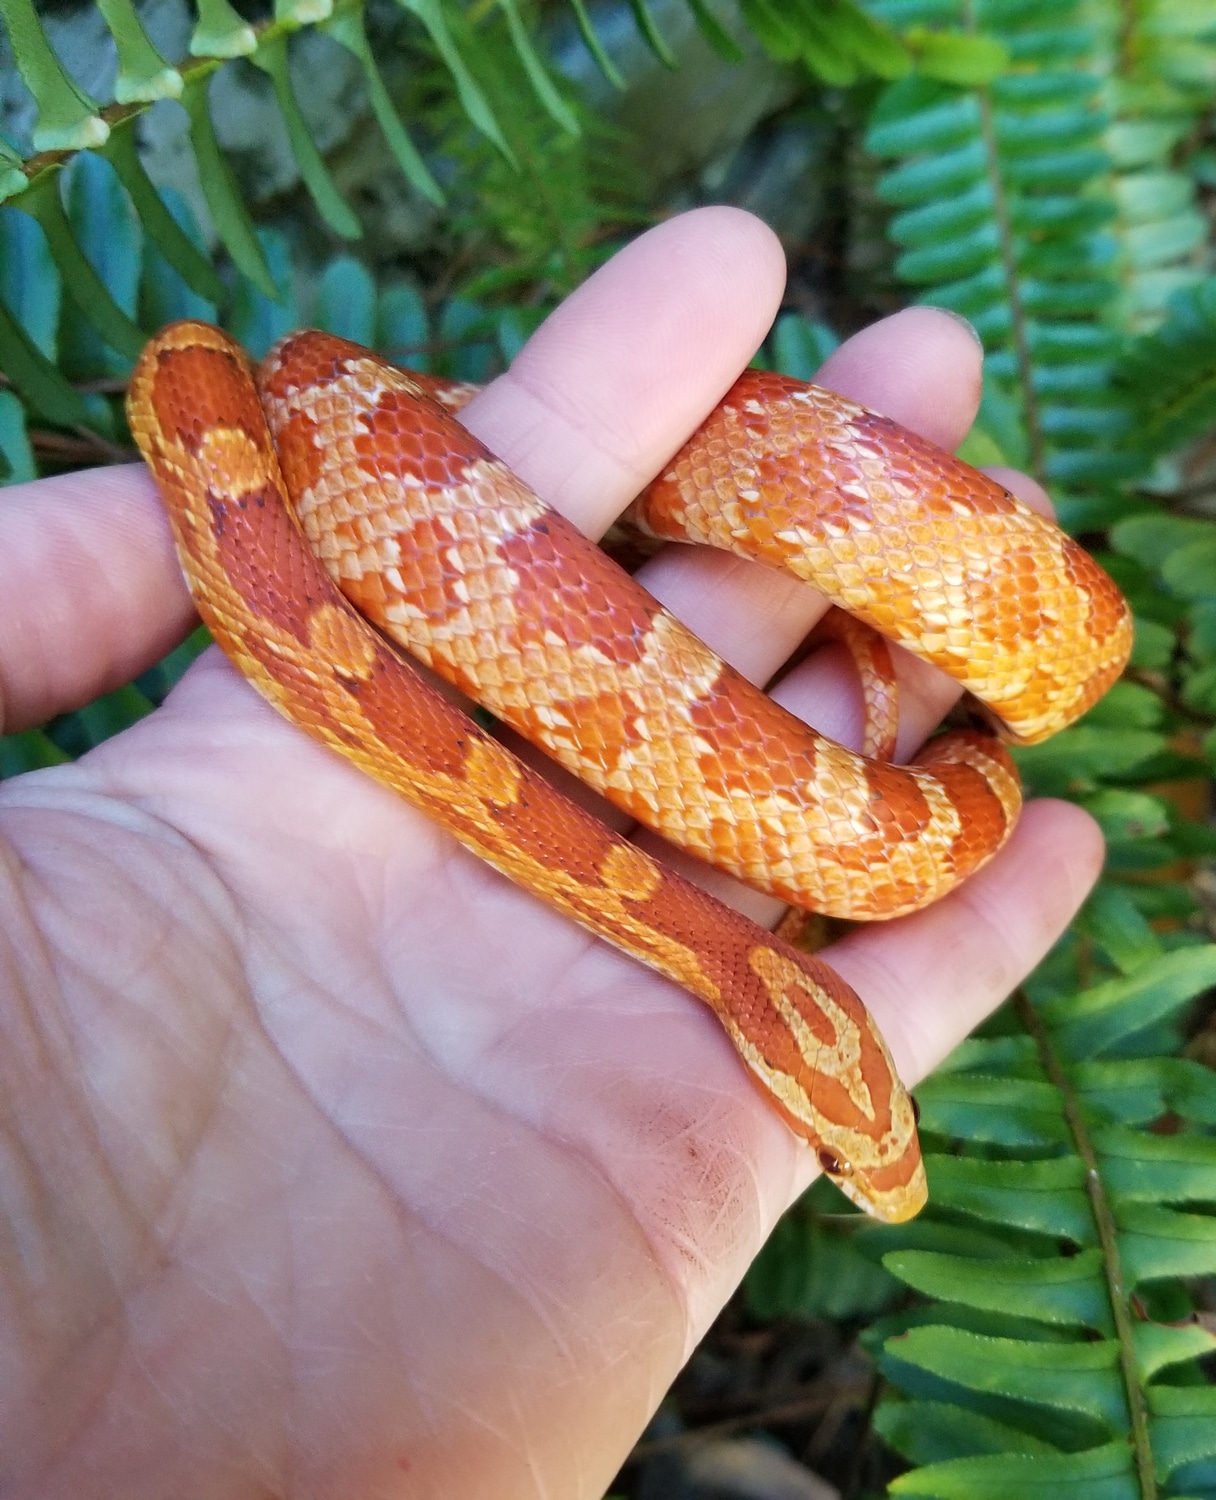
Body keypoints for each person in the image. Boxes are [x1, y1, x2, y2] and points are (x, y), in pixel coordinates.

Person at [0, 208, 1103, 1499]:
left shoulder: (730, 954)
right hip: (351, 432)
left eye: (858, 1151)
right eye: (860, 1147)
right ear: (801, 1067)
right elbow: (206, 369)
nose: (869, 1170)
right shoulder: (728, 953)